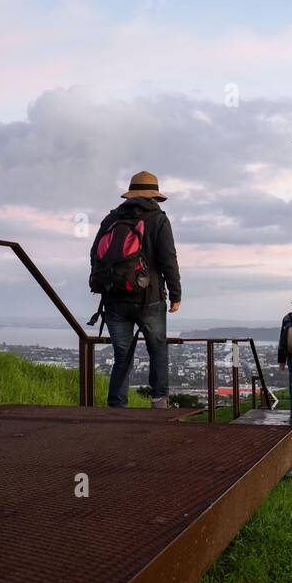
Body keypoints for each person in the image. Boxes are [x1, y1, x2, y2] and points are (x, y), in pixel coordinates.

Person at [89, 170, 181, 408]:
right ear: (154, 196)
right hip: (149, 297)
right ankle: (159, 400)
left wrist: (107, 281)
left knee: (123, 355)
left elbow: (94, 254)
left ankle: (116, 405)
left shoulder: (111, 219)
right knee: (157, 349)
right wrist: (176, 294)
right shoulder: (158, 219)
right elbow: (168, 259)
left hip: (114, 299)